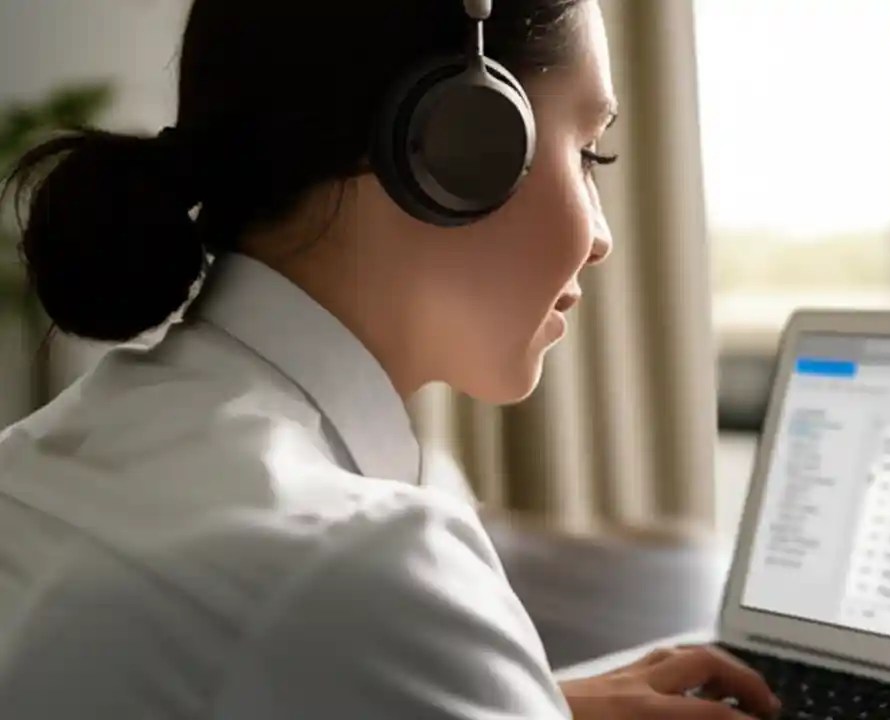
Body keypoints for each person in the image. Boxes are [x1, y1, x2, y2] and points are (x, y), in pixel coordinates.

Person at [0, 0, 781, 718]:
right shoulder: (367, 566)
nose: (602, 237)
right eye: (588, 152)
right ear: (458, 143)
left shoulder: (34, 464)